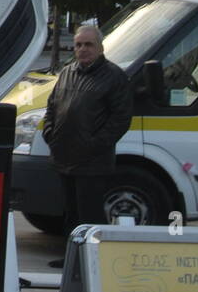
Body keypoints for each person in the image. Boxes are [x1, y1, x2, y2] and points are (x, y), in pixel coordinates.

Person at [43, 24, 133, 265]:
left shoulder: (114, 76)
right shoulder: (68, 71)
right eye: (78, 45)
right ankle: (72, 259)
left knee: (89, 215)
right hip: (64, 157)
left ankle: (95, 261)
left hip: (93, 161)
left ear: (100, 48)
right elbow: (53, 106)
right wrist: (49, 133)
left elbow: (121, 118)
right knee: (71, 215)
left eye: (88, 44)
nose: (83, 49)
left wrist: (95, 144)